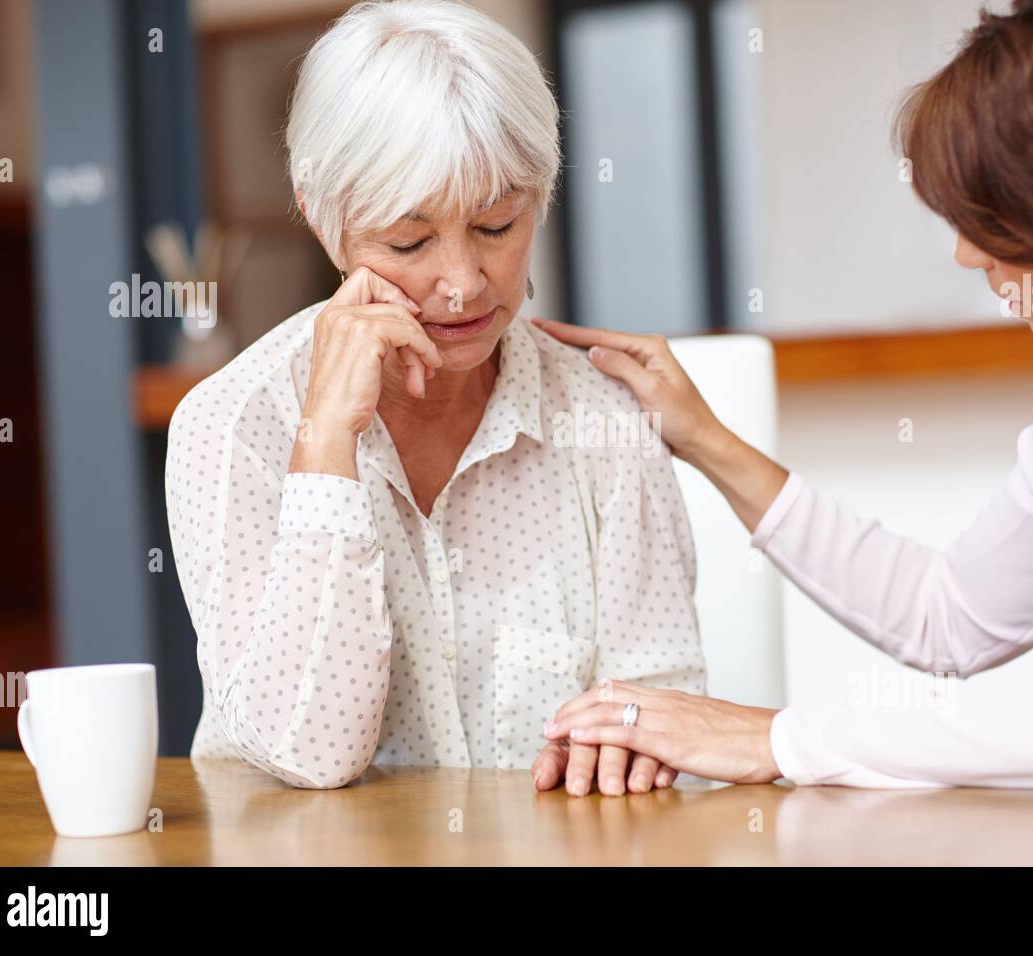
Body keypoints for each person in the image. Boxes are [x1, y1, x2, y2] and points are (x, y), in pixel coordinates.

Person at [540, 0, 1033, 788]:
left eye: (992, 213)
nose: (963, 253)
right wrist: (707, 438)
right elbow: (944, 614)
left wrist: (781, 740)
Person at [165, 0, 705, 792]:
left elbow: (665, 719)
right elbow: (305, 756)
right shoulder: (233, 427)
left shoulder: (602, 421)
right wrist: (324, 449)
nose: (461, 285)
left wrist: (632, 748)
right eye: (409, 242)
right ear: (324, 220)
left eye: (496, 226)